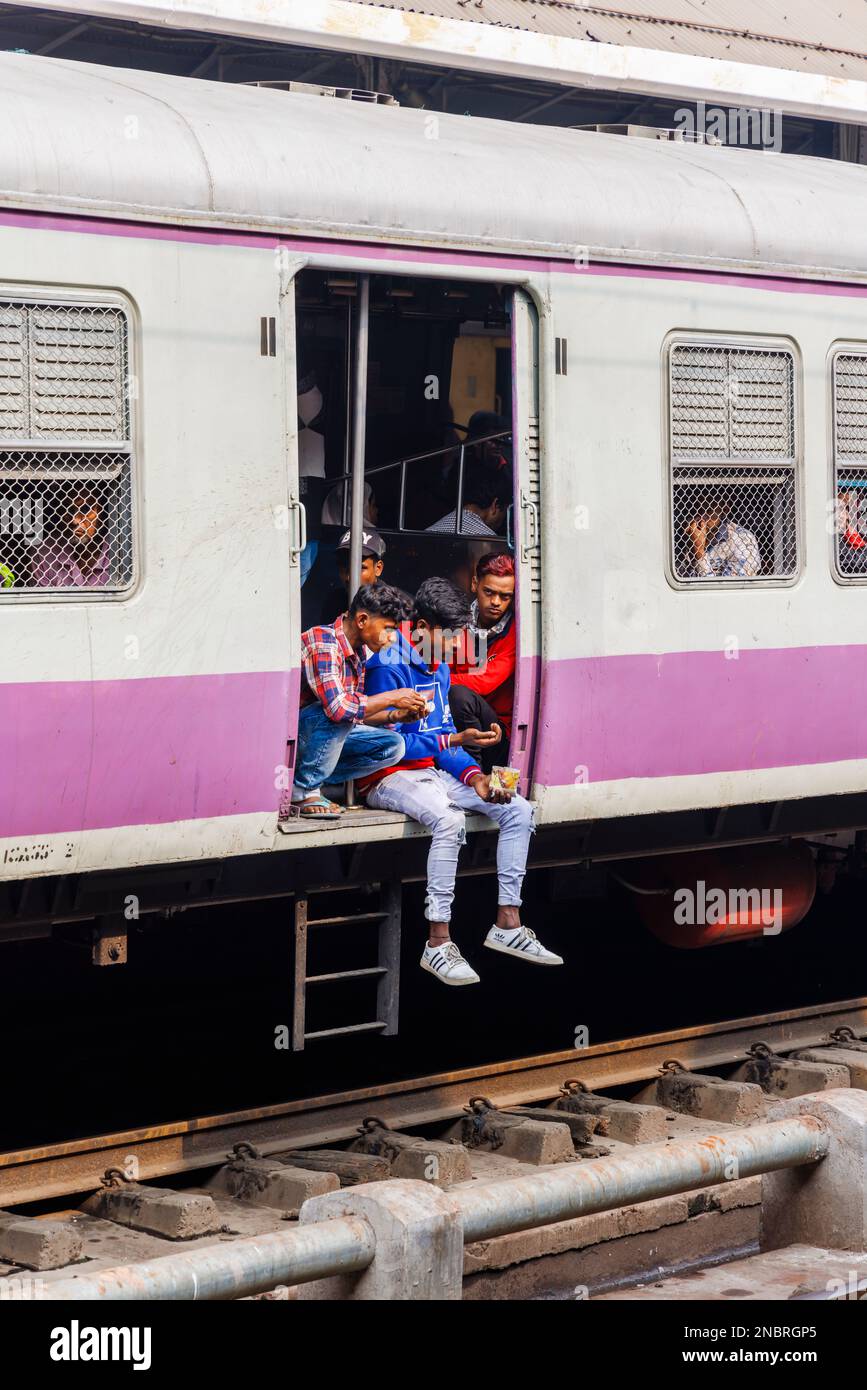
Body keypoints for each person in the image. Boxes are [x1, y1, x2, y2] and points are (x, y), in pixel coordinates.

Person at [360, 576, 563, 985]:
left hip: (431, 773)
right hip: (387, 777)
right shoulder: (386, 664)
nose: (455, 647)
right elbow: (389, 745)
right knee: (449, 822)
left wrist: (474, 777)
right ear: (420, 627)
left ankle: (508, 924)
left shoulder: (438, 667)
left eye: (459, 636)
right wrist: (453, 740)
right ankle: (437, 943)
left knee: (519, 808)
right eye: (449, 637)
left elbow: (443, 746)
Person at [291, 583, 428, 820]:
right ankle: (303, 790)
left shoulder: (360, 652)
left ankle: (311, 784)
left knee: (394, 745)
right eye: (388, 628)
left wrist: (394, 715)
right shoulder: (323, 641)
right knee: (338, 713)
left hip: (321, 738)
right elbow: (339, 710)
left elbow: (357, 716)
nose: (392, 637)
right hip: (295, 738)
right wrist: (393, 697)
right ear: (363, 620)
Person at [450, 553, 516, 774]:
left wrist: (437, 681)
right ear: (474, 583)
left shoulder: (517, 632)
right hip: (454, 722)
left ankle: (474, 773)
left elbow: (485, 682)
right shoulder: (457, 621)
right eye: (489, 592)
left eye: (505, 596)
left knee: (459, 694)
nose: (496, 602)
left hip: (498, 733)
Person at [31, 492, 110, 588]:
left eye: (85, 509)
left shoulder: (118, 550)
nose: (74, 520)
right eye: (69, 510)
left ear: (103, 512)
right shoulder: (45, 552)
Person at [318, 526, 386, 625]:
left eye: (360, 568)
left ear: (378, 568)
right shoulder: (335, 601)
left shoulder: (397, 606)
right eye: (344, 567)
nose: (349, 577)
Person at [427, 461, 511, 538]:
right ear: (495, 505)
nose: (502, 522)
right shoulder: (488, 542)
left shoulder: (431, 530)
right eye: (504, 513)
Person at [684, 497, 761, 578]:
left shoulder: (743, 539)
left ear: (724, 510)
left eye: (708, 510)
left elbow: (730, 588)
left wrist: (699, 552)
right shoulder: (685, 535)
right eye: (696, 510)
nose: (701, 518)